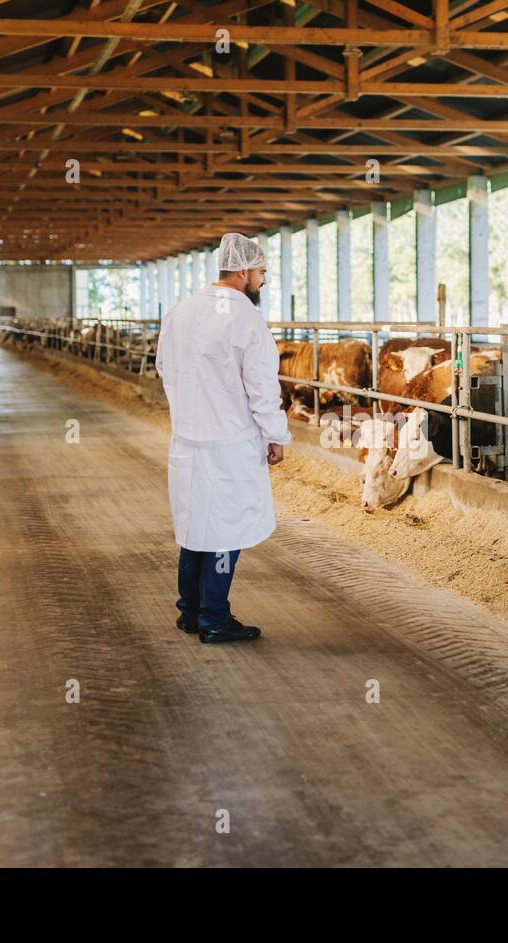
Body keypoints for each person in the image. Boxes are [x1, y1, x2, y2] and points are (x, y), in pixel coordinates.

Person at [153, 233, 289, 643]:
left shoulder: (181, 311)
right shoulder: (246, 317)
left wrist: (189, 409)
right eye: (262, 272)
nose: (264, 281)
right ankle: (214, 617)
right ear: (244, 271)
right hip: (231, 444)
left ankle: (190, 612)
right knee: (226, 531)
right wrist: (276, 435)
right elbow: (262, 386)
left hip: (189, 441)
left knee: (196, 526)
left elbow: (164, 366)